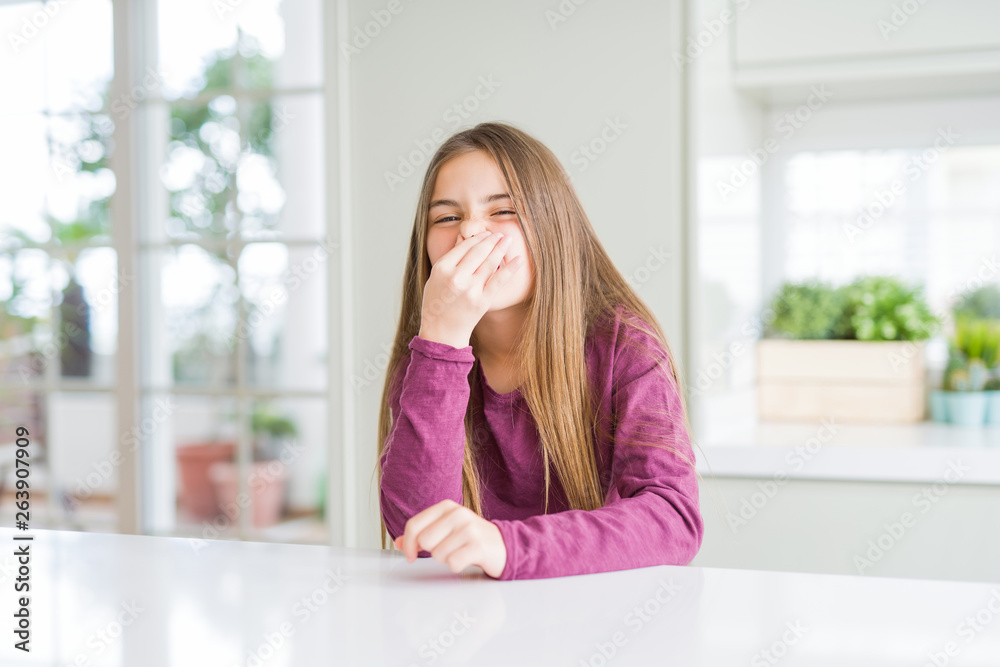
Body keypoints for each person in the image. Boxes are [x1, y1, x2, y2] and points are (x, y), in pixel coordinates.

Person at [374, 121, 704, 580]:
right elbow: (418, 534)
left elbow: (672, 519)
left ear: (552, 224)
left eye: (503, 210)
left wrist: (508, 547)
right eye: (446, 218)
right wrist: (441, 342)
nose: (470, 232)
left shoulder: (624, 347)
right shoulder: (428, 356)